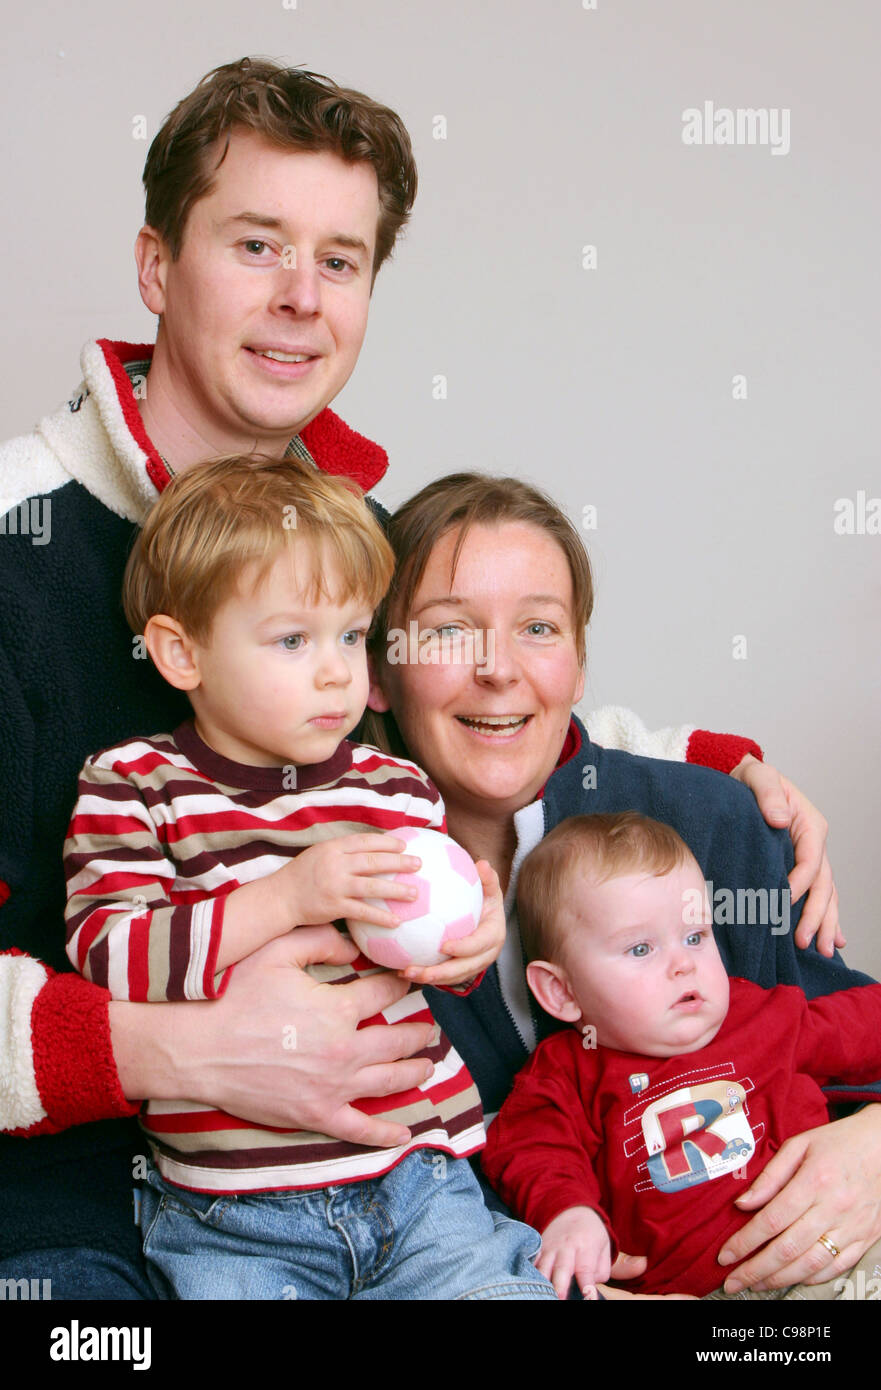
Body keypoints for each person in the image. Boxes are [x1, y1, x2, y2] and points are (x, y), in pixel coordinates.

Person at [0, 55, 838, 1295]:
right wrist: (183, 1053)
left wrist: (714, 756)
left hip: (388, 1189)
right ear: (156, 267)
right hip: (64, 1227)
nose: (299, 299)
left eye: (337, 261)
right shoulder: (20, 538)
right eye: (255, 246)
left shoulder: (365, 544)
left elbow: (475, 690)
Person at [362, 472, 881, 1297]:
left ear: (576, 664)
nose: (498, 670)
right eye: (448, 632)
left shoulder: (709, 822)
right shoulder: (341, 884)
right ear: (377, 674)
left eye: (538, 627)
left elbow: (842, 1032)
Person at [61, 455, 554, 1300]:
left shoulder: (390, 786)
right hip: (237, 1220)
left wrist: (467, 941)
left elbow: (424, 949)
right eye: (293, 640)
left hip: (420, 1182)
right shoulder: (137, 784)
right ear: (182, 652)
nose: (338, 673)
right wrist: (287, 898)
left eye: (352, 636)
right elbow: (109, 952)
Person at [480, 812, 881, 1300]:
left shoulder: (763, 1016)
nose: (683, 964)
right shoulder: (567, 1072)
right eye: (641, 948)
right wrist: (570, 1215)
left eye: (696, 937)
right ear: (561, 991)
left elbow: (865, 1023)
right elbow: (531, 1148)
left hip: (841, 1256)